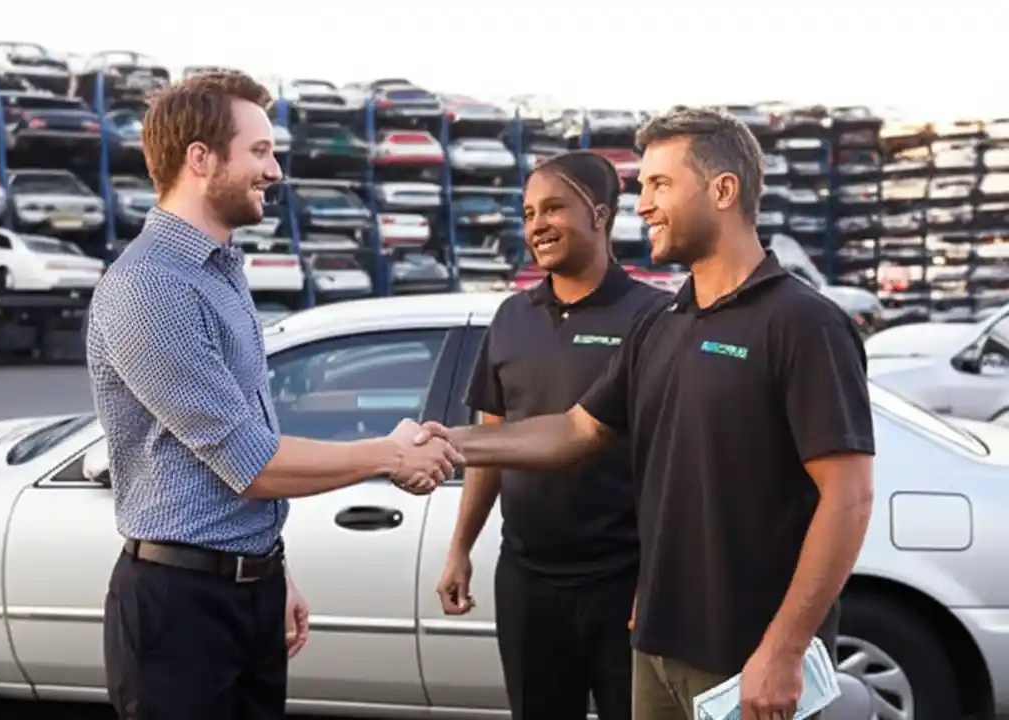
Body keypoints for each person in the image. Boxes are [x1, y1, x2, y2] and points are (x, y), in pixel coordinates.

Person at [417, 107, 875, 720]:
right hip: (656, 644)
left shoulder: (803, 323)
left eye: (659, 185)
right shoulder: (662, 324)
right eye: (641, 188)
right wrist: (448, 441)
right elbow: (576, 430)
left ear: (723, 189)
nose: (642, 205)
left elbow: (847, 498)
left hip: (745, 656)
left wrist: (784, 650)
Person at [85, 70, 462, 720]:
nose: (275, 170)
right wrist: (391, 455)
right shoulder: (150, 287)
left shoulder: (221, 273)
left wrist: (269, 567)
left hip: (244, 592)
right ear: (200, 160)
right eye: (258, 151)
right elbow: (250, 463)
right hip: (180, 608)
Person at [435, 150, 669, 720]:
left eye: (554, 208)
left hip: (625, 580)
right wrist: (460, 548)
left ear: (601, 215)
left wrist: (659, 580)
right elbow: (492, 446)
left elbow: (672, 464)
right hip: (528, 580)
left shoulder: (656, 318)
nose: (537, 224)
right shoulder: (511, 318)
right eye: (528, 212)